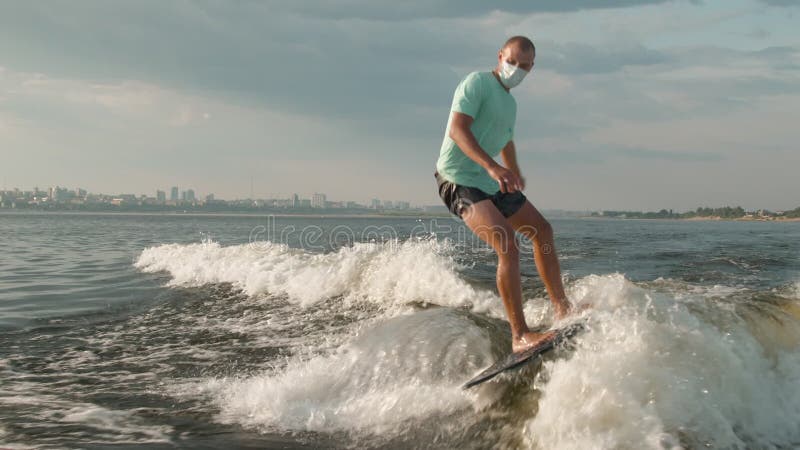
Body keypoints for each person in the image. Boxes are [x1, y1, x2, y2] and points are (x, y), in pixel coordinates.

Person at [434, 36, 576, 353]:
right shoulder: (477, 83)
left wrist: (512, 172)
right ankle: (519, 336)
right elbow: (458, 130)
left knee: (542, 230)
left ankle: (562, 308)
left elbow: (506, 139)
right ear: (500, 56)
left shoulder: (510, 103)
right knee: (508, 245)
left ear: (531, 68)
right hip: (458, 179)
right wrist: (493, 168)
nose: (517, 69)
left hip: (490, 181)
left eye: (524, 66)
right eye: (512, 62)